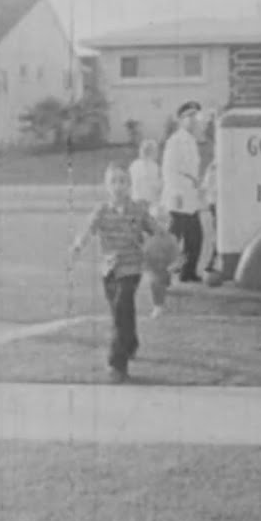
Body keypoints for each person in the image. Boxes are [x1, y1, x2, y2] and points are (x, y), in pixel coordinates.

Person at [70, 163, 162, 382]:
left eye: (122, 181)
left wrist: (163, 230)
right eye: (114, 181)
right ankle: (130, 343)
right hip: (109, 270)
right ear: (107, 186)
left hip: (131, 268)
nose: (118, 186)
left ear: (129, 185)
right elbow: (87, 230)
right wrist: (77, 246)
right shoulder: (102, 211)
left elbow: (156, 230)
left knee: (122, 306)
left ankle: (117, 364)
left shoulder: (138, 210)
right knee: (121, 312)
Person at [161, 101, 205, 282]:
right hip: (178, 195)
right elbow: (169, 170)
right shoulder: (175, 141)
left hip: (190, 197)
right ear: (181, 120)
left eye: (196, 117)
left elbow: (192, 170)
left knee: (195, 237)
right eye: (190, 117)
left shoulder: (191, 140)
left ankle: (188, 272)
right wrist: (176, 193)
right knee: (174, 239)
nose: (194, 120)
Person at [141, 207, 181, 318]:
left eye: (164, 222)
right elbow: (144, 254)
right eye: (157, 221)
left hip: (167, 268)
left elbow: (176, 254)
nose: (161, 225)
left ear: (169, 223)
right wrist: (146, 267)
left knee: (163, 284)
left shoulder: (172, 239)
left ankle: (162, 297)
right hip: (154, 268)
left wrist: (174, 266)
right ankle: (158, 306)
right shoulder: (148, 239)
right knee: (155, 283)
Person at [128, 138, 163, 209]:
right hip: (149, 199)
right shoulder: (154, 166)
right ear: (152, 152)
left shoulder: (134, 164)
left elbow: (130, 181)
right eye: (156, 152)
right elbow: (154, 185)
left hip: (135, 198)